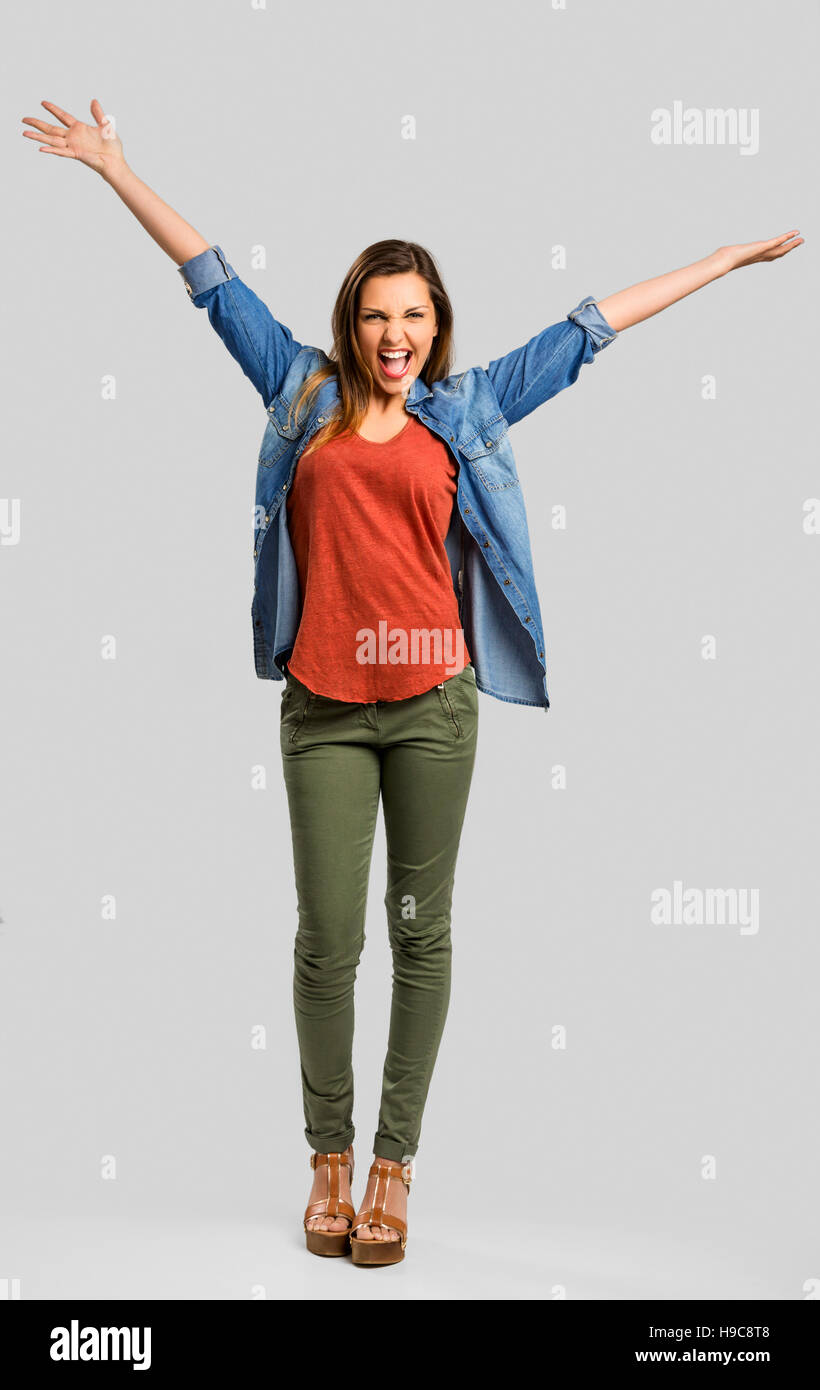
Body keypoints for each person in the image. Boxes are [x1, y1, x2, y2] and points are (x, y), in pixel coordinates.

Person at [22, 96, 804, 1268]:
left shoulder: (469, 408)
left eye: (415, 317)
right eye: (378, 315)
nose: (396, 335)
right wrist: (113, 168)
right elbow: (209, 277)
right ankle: (326, 1159)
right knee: (327, 940)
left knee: (419, 934)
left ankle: (393, 1167)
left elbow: (590, 326)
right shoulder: (300, 391)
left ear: (437, 329)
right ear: (354, 322)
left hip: (434, 708)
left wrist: (725, 259)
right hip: (324, 711)